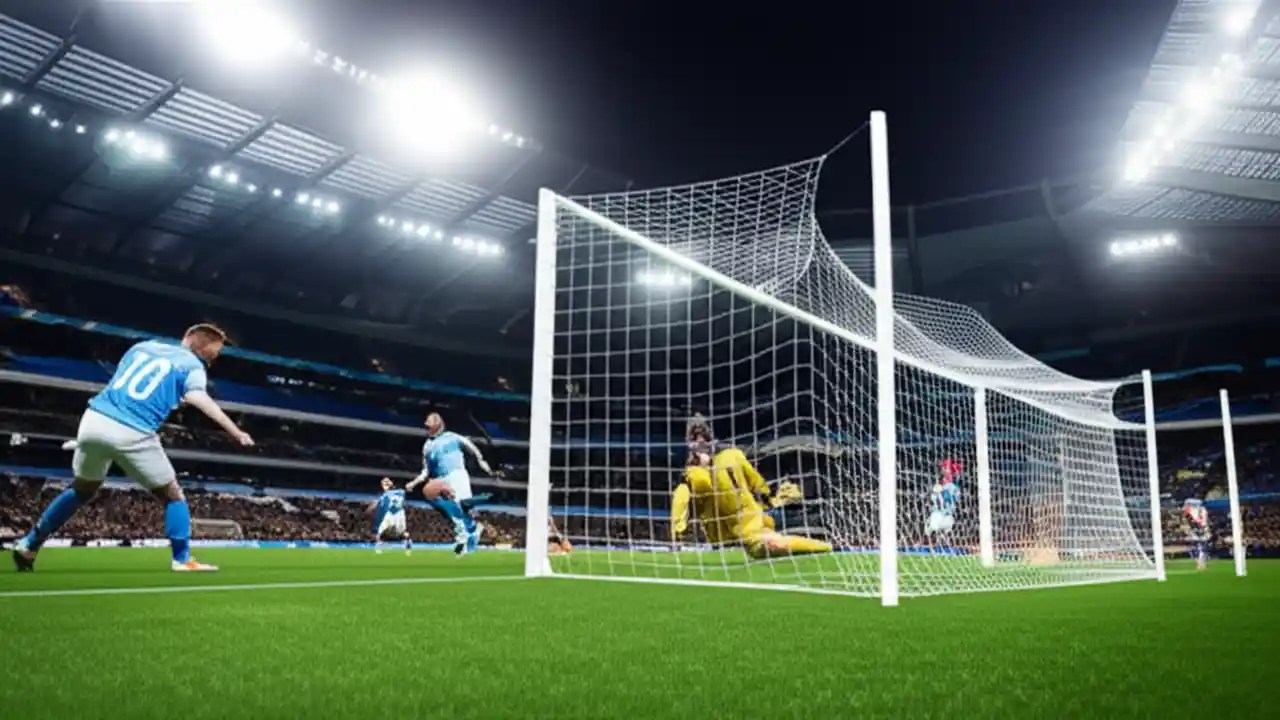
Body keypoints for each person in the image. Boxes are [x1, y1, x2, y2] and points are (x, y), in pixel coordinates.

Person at [12, 324, 253, 572]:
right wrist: (236, 431)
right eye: (215, 350)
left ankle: (30, 544)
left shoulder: (142, 347)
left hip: (93, 420)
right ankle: (182, 560)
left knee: (82, 489)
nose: (215, 356)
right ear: (201, 346)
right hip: (133, 431)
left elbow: (124, 386)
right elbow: (197, 397)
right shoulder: (193, 366)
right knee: (173, 496)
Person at [670, 415, 827, 559]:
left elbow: (756, 483)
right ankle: (827, 546)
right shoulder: (692, 475)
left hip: (750, 530)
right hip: (721, 544)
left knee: (773, 544)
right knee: (771, 545)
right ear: (689, 444)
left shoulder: (732, 456)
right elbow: (681, 503)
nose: (700, 443)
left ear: (710, 438)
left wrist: (770, 501)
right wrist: (679, 534)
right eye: (695, 439)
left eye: (703, 437)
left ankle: (829, 547)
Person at [405, 413, 489, 556]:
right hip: (441, 480)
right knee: (447, 506)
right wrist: (414, 482)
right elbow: (426, 470)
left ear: (438, 425)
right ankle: (469, 532)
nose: (427, 427)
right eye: (426, 425)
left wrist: (481, 460)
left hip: (457, 475)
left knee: (462, 507)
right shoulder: (427, 446)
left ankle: (469, 535)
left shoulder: (452, 436)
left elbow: (470, 445)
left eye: (429, 424)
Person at [923, 458, 962, 551]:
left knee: (928, 528)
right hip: (948, 517)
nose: (942, 470)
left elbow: (939, 499)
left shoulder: (948, 486)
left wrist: (937, 493)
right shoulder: (953, 486)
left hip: (940, 515)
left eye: (944, 467)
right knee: (943, 530)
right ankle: (946, 544)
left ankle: (932, 548)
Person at [371, 477, 411, 555]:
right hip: (400, 515)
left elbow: (382, 508)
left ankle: (378, 549)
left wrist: (376, 521)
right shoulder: (402, 492)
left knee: (379, 531)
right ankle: (408, 549)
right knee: (403, 533)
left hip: (391, 515)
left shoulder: (385, 495)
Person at [1185, 499, 1210, 571]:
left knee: (1200, 548)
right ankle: (1201, 563)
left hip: (1200, 531)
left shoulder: (1198, 511)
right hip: (1199, 531)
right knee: (1199, 548)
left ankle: (1201, 563)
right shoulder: (1201, 510)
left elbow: (1200, 522)